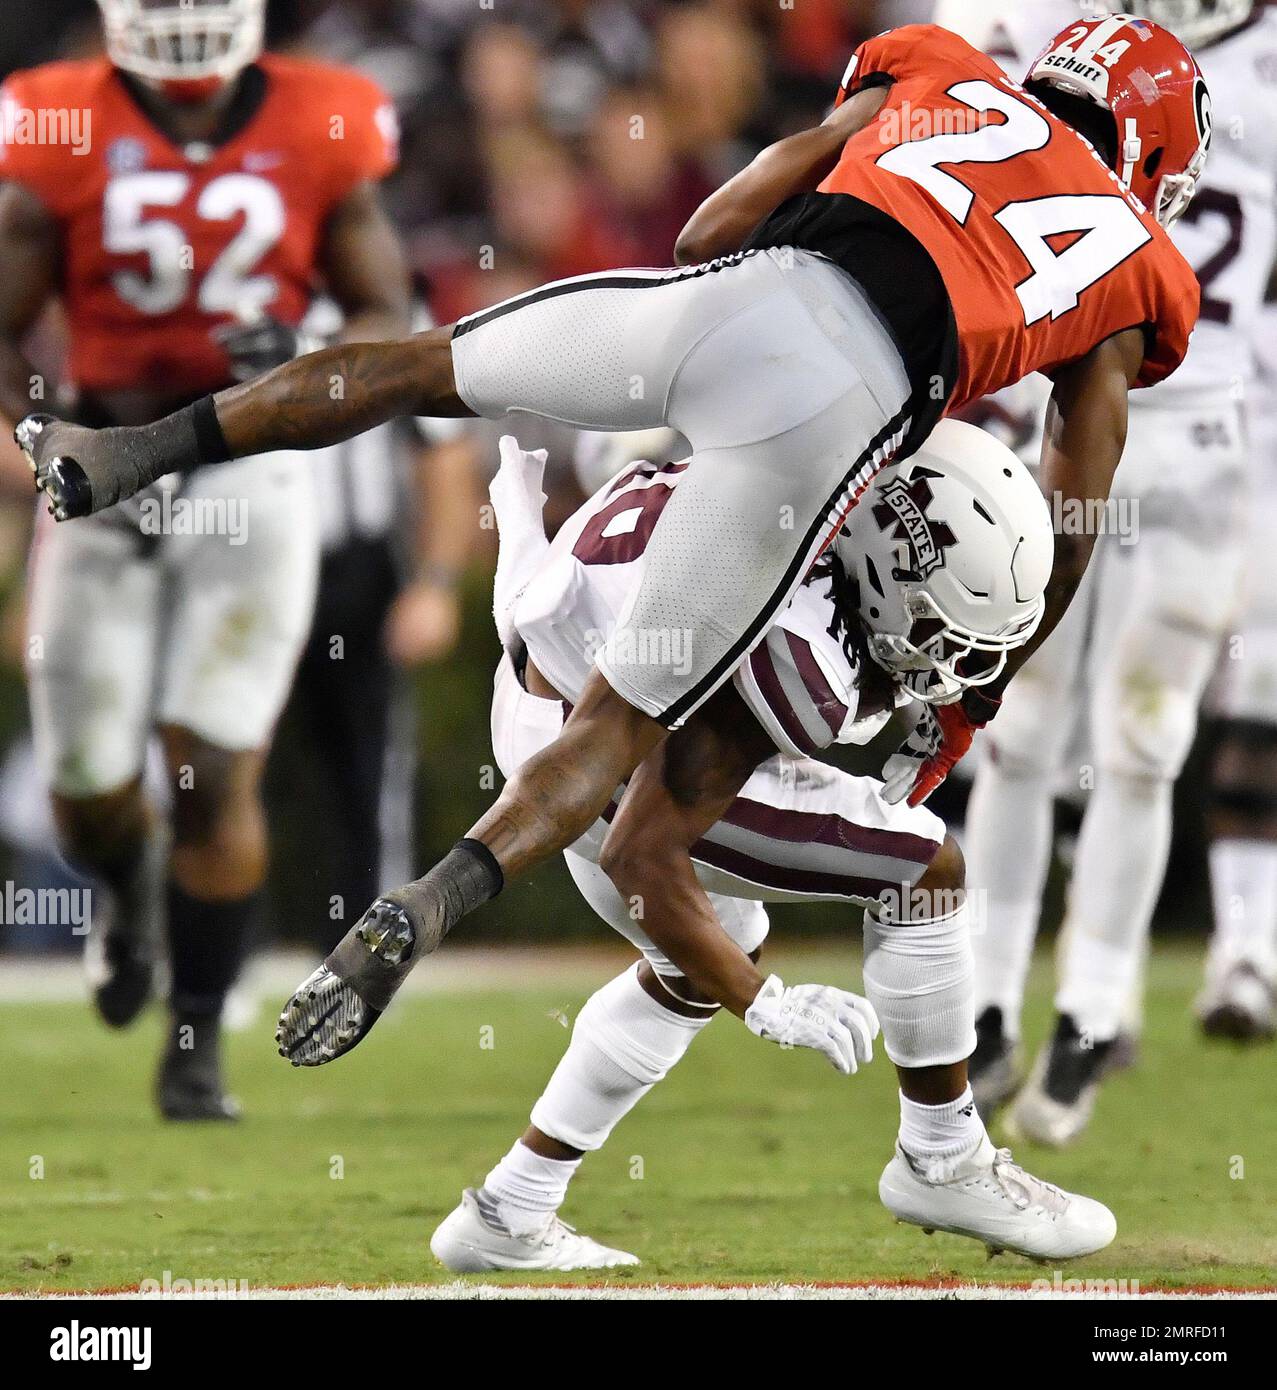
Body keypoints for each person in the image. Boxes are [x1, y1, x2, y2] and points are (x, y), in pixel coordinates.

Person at [17, 17, 1207, 1093]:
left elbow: (711, 223)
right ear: (1151, 152)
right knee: (620, 726)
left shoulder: (940, 70)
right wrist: (980, 687)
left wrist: (706, 340)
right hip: (840, 403)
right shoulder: (1135, 266)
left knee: (423, 364)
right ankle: (423, 907)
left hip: (738, 297)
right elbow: (1069, 508)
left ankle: (136, 446)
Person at [425, 427, 1117, 1271]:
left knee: (694, 958)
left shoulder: (799, 465)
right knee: (926, 873)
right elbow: (642, 854)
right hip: (595, 768)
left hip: (547, 694)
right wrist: (761, 1000)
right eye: (938, 629)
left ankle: (510, 1207)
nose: (949, 664)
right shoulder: (798, 652)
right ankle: (942, 1158)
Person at [0, 0, 411, 1117]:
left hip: (252, 471)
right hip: (101, 467)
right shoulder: (55, 117)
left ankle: (195, 1038)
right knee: (85, 792)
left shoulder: (323, 113)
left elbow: (388, 304)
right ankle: (126, 892)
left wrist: (312, 342)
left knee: (214, 768)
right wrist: (41, 437)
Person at [962, 0, 1277, 1142]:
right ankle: (990, 998)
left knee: (1133, 736)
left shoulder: (1072, 31)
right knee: (1018, 713)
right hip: (1088, 402)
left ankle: (1090, 1003)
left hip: (1178, 418)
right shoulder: (1077, 29)